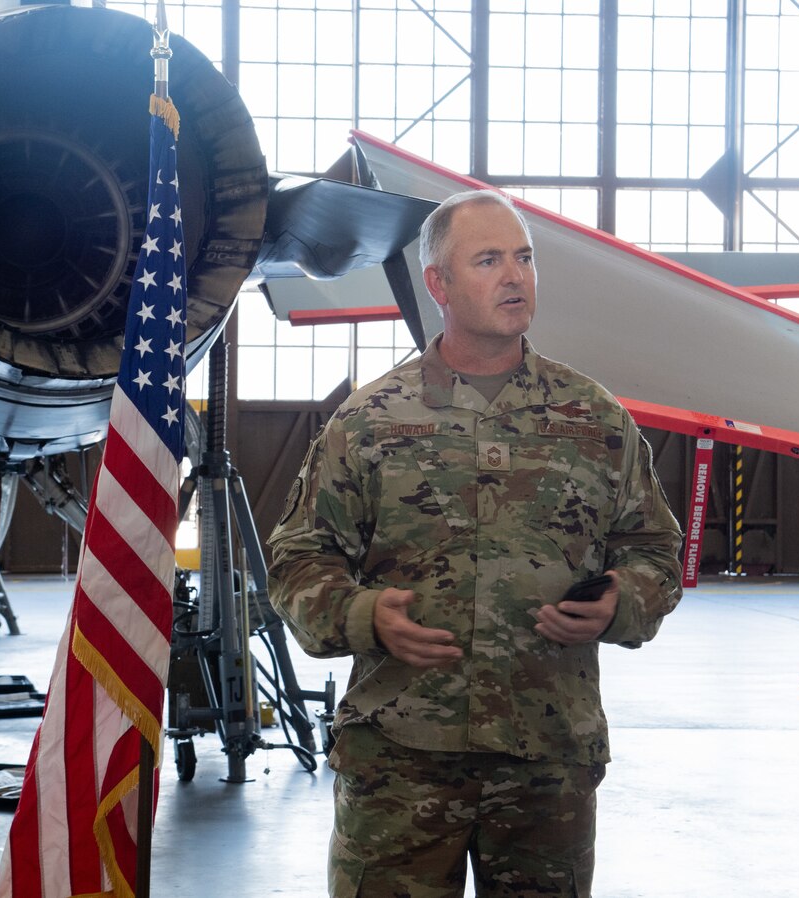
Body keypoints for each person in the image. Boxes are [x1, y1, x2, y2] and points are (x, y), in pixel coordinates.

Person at [267, 189, 683, 897]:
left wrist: (621, 601)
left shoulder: (595, 419)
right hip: (401, 765)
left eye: (523, 258)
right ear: (439, 285)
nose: (515, 276)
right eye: (488, 260)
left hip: (545, 764)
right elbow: (298, 558)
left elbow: (655, 549)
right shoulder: (368, 422)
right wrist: (364, 616)